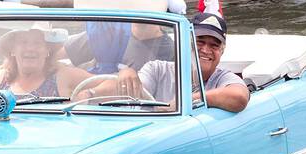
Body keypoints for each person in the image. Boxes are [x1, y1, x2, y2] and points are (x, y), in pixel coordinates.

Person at [100, 12, 250, 113]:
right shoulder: (158, 69)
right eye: (200, 42)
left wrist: (187, 101)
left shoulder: (223, 78)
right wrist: (126, 74)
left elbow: (239, 97)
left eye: (214, 45)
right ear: (187, 42)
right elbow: (133, 89)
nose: (206, 50)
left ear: (222, 51)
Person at [63, 0, 177, 70]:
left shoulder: (172, 52)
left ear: (160, 3)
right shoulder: (108, 33)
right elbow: (58, 56)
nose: (142, 4)